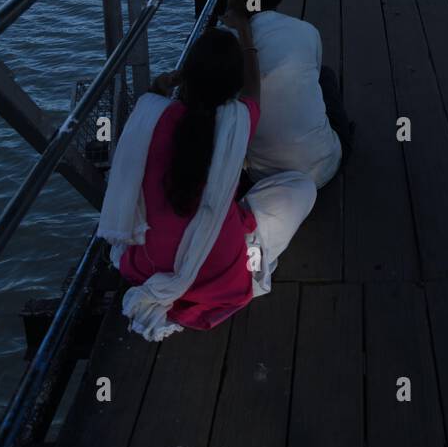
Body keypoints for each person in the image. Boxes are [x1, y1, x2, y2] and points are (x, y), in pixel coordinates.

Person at [97, 20, 316, 340]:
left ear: (184, 78)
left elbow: (151, 103)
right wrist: (246, 36)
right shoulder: (239, 121)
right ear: (234, 87)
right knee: (302, 187)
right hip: (217, 276)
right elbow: (253, 88)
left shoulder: (150, 115)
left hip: (146, 266)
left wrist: (159, 87)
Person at [226, 0, 352, 188]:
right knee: (325, 76)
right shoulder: (307, 30)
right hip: (324, 168)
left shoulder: (226, 46)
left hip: (265, 180)